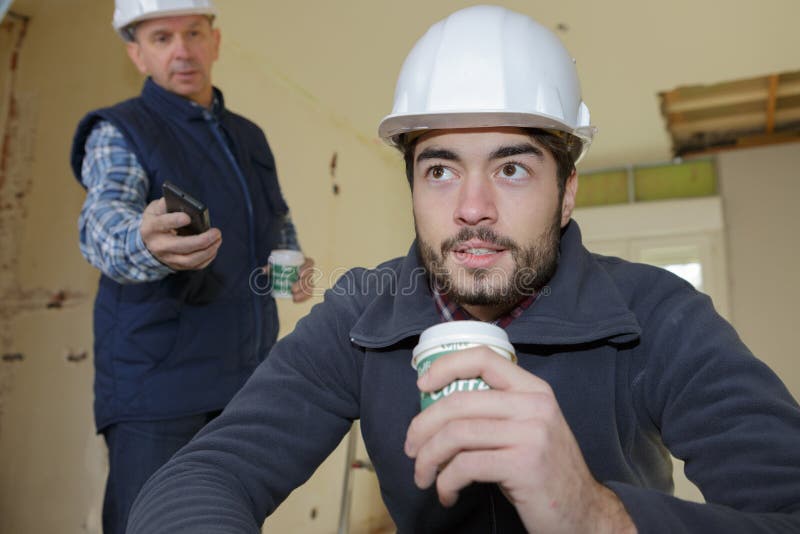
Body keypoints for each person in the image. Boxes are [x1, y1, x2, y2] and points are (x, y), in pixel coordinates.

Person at [126, 5, 800, 533]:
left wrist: (598, 517)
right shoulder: (362, 317)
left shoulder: (658, 317)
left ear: (566, 192)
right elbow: (203, 477)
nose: (472, 208)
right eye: (441, 170)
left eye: (512, 168)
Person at [68, 1, 314, 532]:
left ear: (215, 41)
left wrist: (290, 262)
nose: (182, 50)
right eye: (161, 38)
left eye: (194, 33)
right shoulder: (119, 131)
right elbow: (102, 219)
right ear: (136, 54)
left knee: (226, 520)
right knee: (149, 522)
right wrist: (143, 241)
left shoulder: (248, 136)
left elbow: (276, 220)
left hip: (243, 384)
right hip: (157, 392)